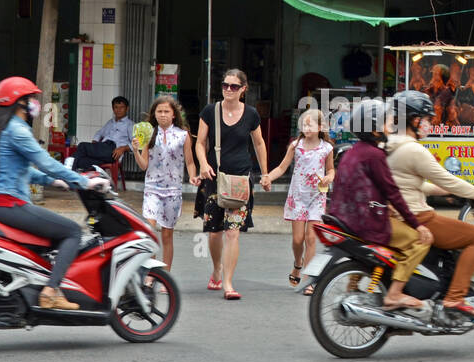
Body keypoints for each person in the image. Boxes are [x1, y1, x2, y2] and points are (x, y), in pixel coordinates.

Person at [0, 76, 108, 313]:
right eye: (30, 99)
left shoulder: (5, 129)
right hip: (10, 205)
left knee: (49, 239)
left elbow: (23, 170)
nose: (35, 104)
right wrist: (82, 182)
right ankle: (51, 291)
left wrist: (55, 181)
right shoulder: (18, 130)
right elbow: (45, 161)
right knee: (72, 232)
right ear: (19, 103)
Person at [385, 90, 474, 320]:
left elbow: (406, 183)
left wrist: (440, 190)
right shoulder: (414, 150)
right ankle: (455, 297)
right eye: (428, 120)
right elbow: (448, 179)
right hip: (418, 216)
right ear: (415, 120)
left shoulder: (391, 144)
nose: (430, 125)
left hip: (398, 214)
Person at [326, 99, 434, 309]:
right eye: (386, 121)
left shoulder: (353, 151)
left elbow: (366, 187)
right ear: (375, 128)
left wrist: (387, 206)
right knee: (421, 241)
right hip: (368, 222)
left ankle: (354, 285)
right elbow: (392, 191)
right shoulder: (375, 155)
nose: (391, 125)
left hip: (347, 217)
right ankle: (394, 294)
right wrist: (417, 225)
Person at [194, 69, 270, 301]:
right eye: (225, 85)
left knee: (232, 232)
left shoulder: (251, 115)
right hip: (214, 179)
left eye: (234, 86)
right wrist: (204, 164)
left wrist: (265, 173)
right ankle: (217, 269)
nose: (228, 89)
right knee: (215, 233)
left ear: (243, 90)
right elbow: (200, 143)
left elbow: (259, 144)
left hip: (240, 180)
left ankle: (228, 282)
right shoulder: (210, 111)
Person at [267, 108, 335, 295]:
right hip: (298, 197)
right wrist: (268, 178)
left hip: (316, 198)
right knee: (298, 240)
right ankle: (298, 263)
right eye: (304, 124)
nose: (306, 127)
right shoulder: (296, 145)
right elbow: (282, 167)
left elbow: (331, 170)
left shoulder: (327, 148)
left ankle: (309, 279)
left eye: (310, 124)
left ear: (320, 127)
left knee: (310, 238)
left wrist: (329, 178)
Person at [131, 96, 196, 270]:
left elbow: (189, 162)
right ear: (154, 114)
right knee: (150, 231)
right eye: (159, 111)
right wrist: (136, 151)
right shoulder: (148, 134)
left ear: (174, 114)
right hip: (152, 189)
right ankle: (152, 274)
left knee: (167, 235)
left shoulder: (183, 135)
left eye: (166, 111)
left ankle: (165, 274)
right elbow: (144, 165)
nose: (163, 115)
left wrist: (192, 176)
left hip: (173, 191)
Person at [71, 95, 135, 173]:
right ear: (113, 109)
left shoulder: (130, 125)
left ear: (127, 108)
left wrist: (123, 148)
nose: (118, 110)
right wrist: (95, 143)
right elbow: (99, 133)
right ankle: (79, 178)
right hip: (103, 149)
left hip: (113, 151)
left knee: (82, 146)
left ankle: (68, 173)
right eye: (116, 107)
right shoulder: (110, 122)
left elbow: (136, 143)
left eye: (122, 107)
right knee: (81, 161)